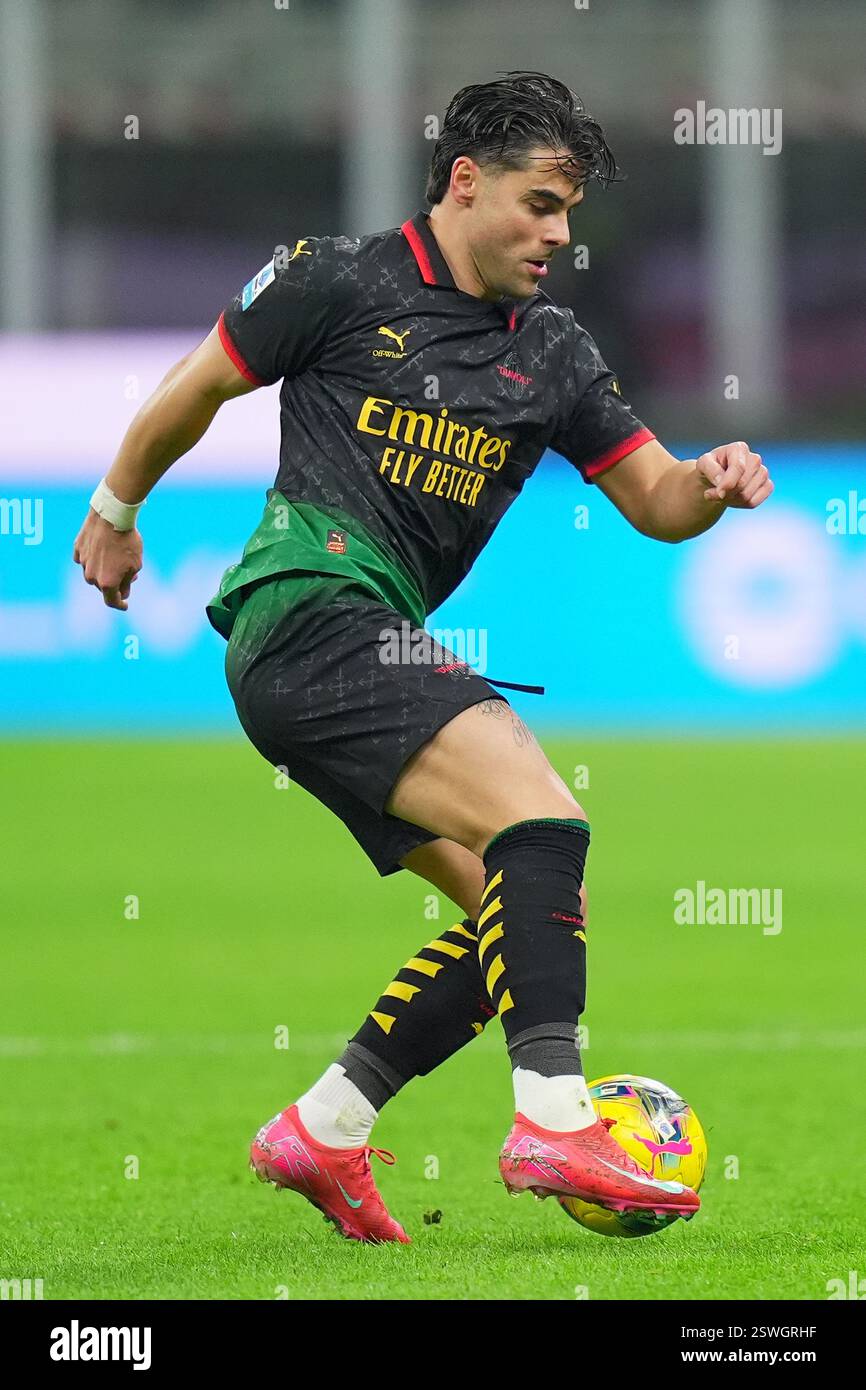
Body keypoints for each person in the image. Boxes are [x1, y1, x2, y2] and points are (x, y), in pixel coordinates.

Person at [73, 71, 773, 1244]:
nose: (558, 235)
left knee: (537, 903)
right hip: (306, 607)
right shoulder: (335, 278)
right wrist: (111, 504)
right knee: (543, 819)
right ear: (463, 182)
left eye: (569, 213)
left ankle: (327, 1126)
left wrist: (705, 483)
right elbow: (193, 391)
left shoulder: (550, 351)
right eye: (539, 204)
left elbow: (651, 498)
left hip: (347, 646)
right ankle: (553, 1117)